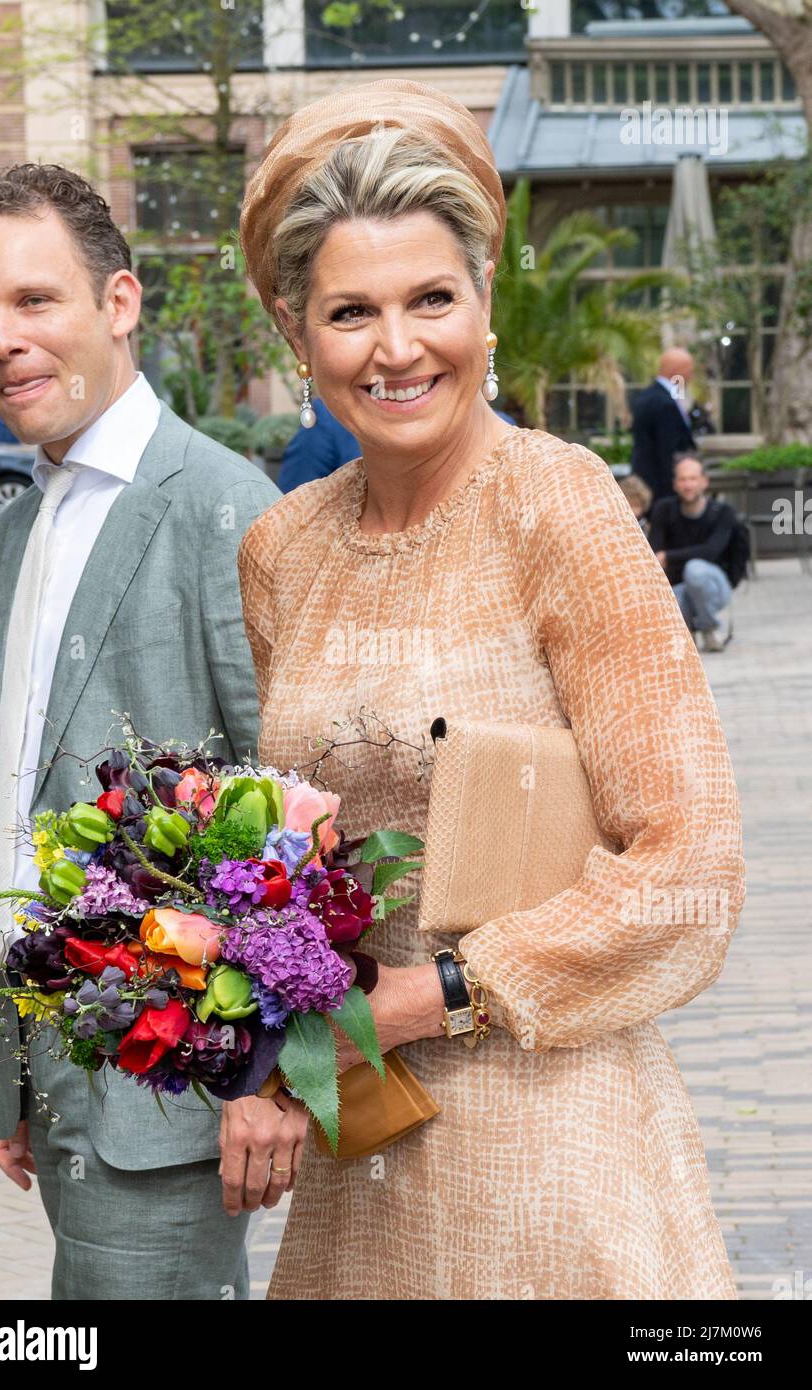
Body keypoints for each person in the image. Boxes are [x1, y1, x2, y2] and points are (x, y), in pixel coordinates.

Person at [233, 77, 746, 1299]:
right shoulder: (282, 546)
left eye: (430, 299)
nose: (396, 346)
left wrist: (439, 990)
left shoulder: (554, 502)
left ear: (482, 307)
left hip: (552, 1140)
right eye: (350, 312)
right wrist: (262, 1048)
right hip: (362, 1138)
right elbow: (285, 857)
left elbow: (690, 864)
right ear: (298, 338)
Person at [0, 163, 306, 1300]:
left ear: (119, 303)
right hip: (58, 1059)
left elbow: (291, 823)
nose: (2, 339)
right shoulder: (15, 529)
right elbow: (18, 803)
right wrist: (13, 1065)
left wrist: (267, 1079)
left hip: (174, 1086)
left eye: (34, 300)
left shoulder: (224, 505)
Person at [279, 390, 515, 492]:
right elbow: (294, 520)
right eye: (353, 313)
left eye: (435, 300)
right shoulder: (330, 422)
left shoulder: (508, 438)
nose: (399, 354)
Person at [648, 452, 737, 653]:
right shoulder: (663, 510)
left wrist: (670, 557)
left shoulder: (722, 512)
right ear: (675, 483)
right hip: (680, 589)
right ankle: (689, 632)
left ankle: (709, 627)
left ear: (704, 482)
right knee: (674, 596)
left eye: (693, 478)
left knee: (695, 570)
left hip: (714, 587)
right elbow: (654, 556)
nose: (688, 485)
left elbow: (710, 552)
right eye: (683, 479)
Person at [631, 347, 696, 504]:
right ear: (677, 371)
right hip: (661, 488)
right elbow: (667, 450)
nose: (691, 376)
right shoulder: (664, 403)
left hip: (645, 480)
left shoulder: (647, 396)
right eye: (689, 370)